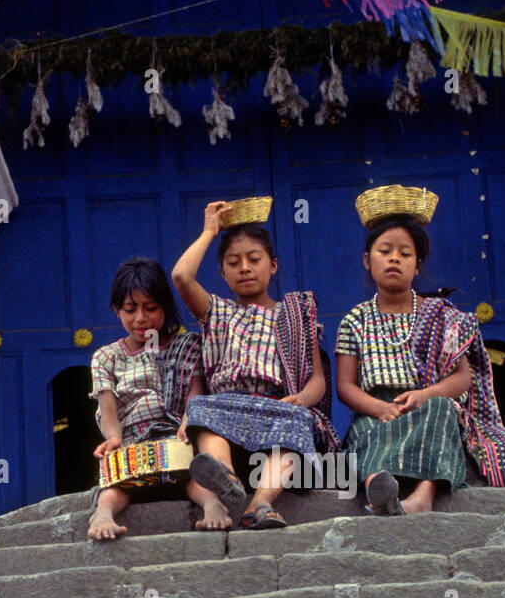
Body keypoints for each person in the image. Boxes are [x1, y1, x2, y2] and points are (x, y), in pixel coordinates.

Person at [335, 195, 505, 516]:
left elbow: (462, 378)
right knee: (365, 433)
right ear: (368, 261)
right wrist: (379, 408)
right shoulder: (354, 320)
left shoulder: (438, 315)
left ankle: (422, 496)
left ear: (418, 264)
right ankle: (377, 488)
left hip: (426, 404)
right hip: (376, 409)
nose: (394, 259)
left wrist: (425, 395)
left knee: (442, 411)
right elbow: (346, 386)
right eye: (385, 252)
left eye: (405, 253)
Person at [170, 200, 339, 529]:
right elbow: (181, 275)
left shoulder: (295, 314)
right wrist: (209, 232)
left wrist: (302, 400)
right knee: (203, 407)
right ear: (222, 272)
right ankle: (225, 475)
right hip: (226, 406)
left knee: (300, 419)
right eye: (233, 262)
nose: (244, 267)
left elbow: (317, 380)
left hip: (275, 408)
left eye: (254, 259)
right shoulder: (215, 312)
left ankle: (261, 503)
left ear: (273, 265)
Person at [88, 257, 231, 540]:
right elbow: (108, 413)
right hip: (132, 442)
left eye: (150, 308)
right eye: (130, 309)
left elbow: (196, 395)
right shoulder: (105, 357)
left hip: (177, 437)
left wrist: (187, 425)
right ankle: (102, 514)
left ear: (165, 307)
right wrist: (114, 439)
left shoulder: (186, 345)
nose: (141, 318)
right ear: (117, 310)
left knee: (194, 472)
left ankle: (213, 505)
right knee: (115, 486)